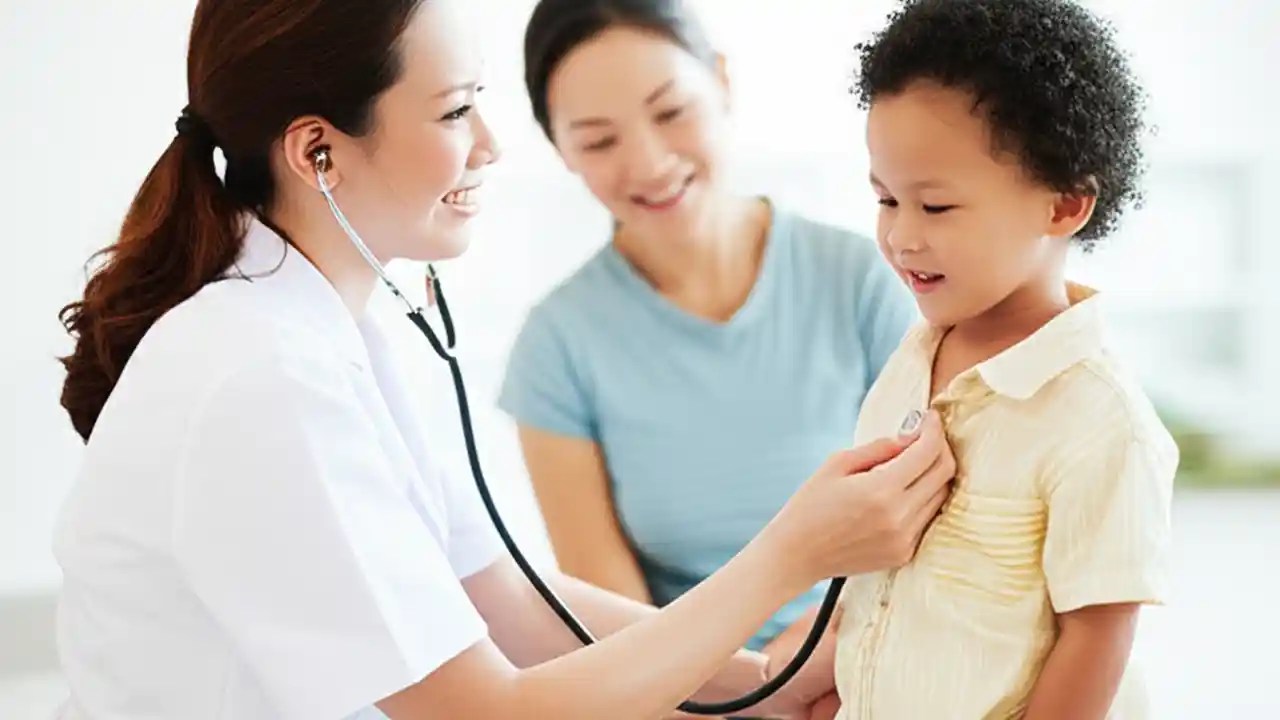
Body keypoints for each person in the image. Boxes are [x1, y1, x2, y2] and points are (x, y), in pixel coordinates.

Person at [50, 1, 956, 718]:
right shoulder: (264, 376)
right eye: (453, 111)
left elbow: (507, 603)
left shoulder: (337, 333)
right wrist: (793, 555)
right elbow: (486, 709)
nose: (488, 145)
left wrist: (760, 678)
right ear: (317, 151)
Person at [498, 0, 920, 678]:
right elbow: (618, 644)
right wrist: (762, 688)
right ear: (560, 151)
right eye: (599, 141)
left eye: (671, 113)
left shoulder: (865, 281)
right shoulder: (557, 348)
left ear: (721, 82)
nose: (649, 162)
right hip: (698, 696)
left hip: (886, 664)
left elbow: (945, 524)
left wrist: (822, 660)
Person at [812, 1, 1178, 718]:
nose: (901, 238)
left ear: (1065, 206)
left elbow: (1097, 639)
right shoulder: (913, 360)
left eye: (936, 208)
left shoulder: (1101, 421)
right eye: (886, 199)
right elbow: (875, 589)